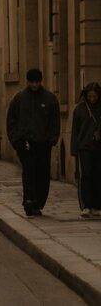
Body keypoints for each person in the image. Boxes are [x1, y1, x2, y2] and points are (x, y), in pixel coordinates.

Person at [7, 68, 60, 217]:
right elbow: (11, 120)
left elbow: (54, 121)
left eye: (37, 82)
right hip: (25, 142)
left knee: (42, 173)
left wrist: (52, 139)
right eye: (32, 82)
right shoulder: (19, 98)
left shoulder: (49, 99)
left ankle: (38, 202)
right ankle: (29, 199)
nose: (35, 85)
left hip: (43, 143)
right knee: (29, 171)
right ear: (28, 81)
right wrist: (16, 140)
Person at [70, 82, 101, 218]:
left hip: (99, 147)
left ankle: (98, 205)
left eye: (95, 96)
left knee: (98, 176)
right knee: (86, 175)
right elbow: (75, 131)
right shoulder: (80, 109)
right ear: (86, 95)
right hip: (84, 147)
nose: (92, 99)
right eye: (90, 96)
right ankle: (87, 205)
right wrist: (74, 149)